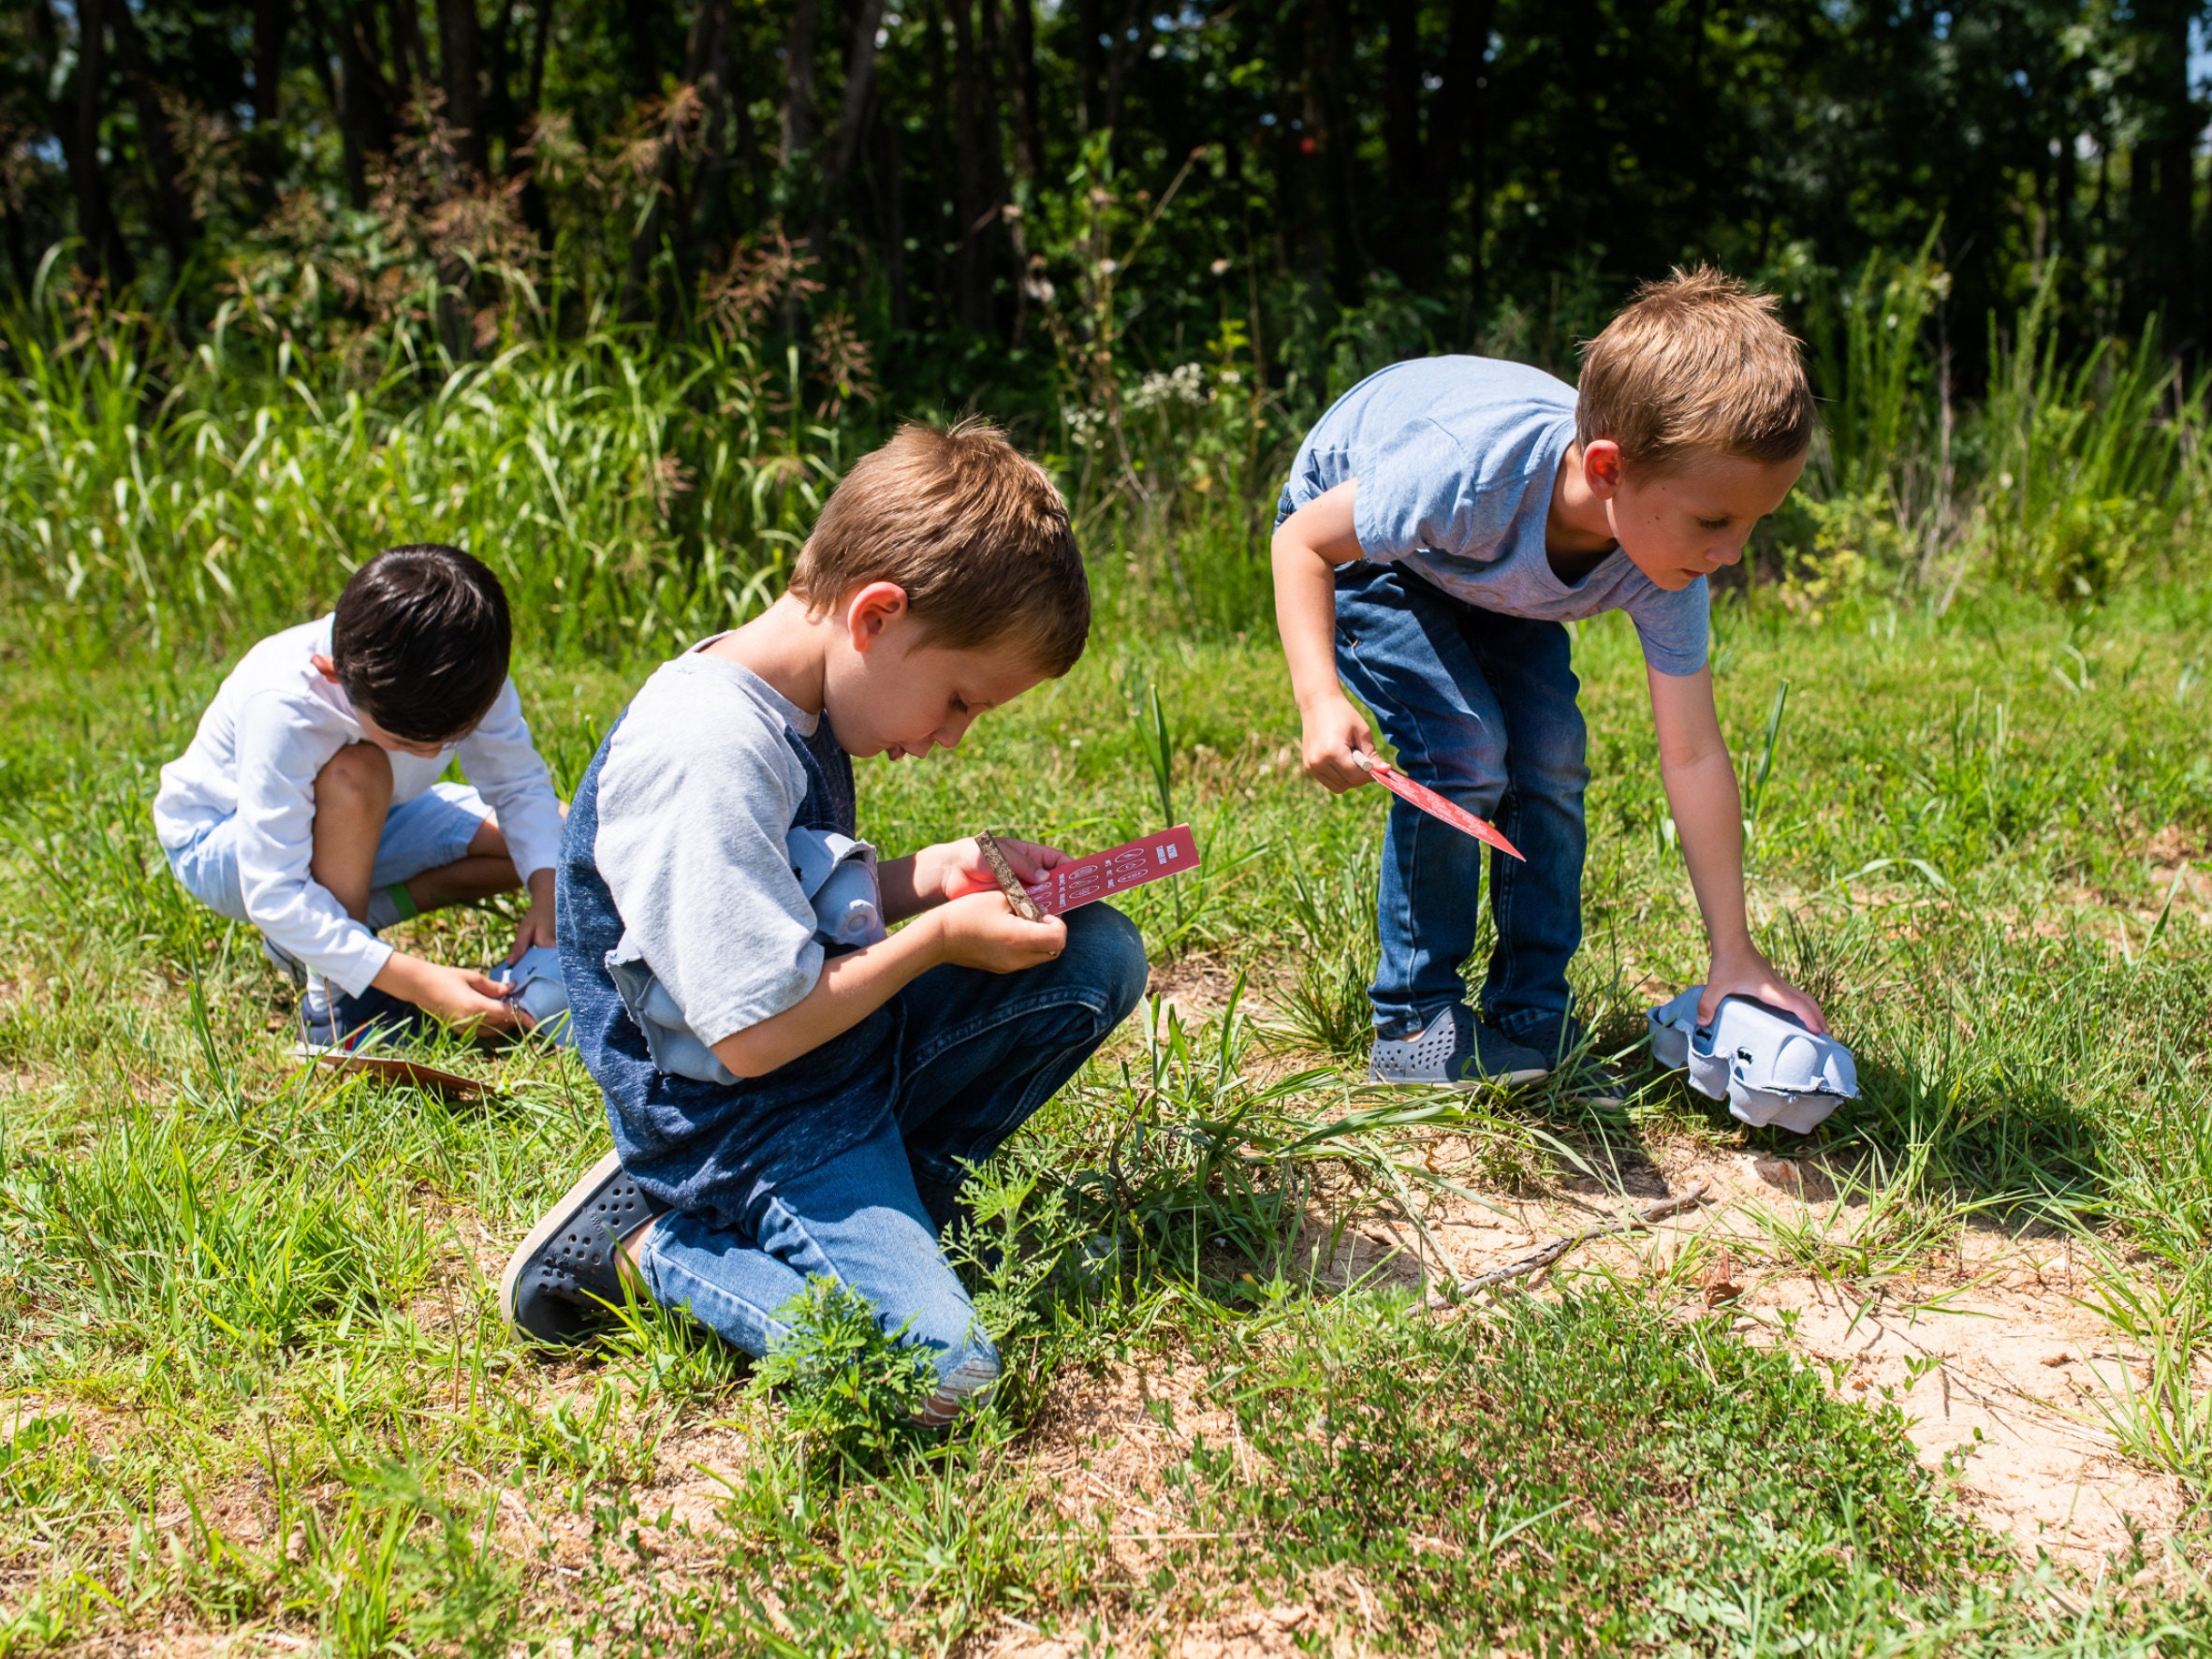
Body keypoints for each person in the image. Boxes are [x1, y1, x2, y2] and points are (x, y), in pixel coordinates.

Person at [500, 421, 1148, 1427]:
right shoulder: (706, 750)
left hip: (830, 1057)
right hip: (741, 1117)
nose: (948, 736)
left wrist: (930, 876)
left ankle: (911, 1207)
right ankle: (657, 1247)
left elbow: (782, 897)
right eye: (957, 699)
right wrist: (933, 941)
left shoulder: (796, 704)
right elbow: (752, 1036)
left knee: (1094, 953)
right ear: (876, 615)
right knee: (941, 1379)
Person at [1270, 267, 1827, 1092]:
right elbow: (1304, 544)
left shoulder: (1664, 565)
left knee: (1552, 755)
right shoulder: (1474, 473)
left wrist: (1733, 953)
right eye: (1714, 520)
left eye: (1752, 522)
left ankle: (1531, 1013)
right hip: (1366, 545)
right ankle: (1414, 1026)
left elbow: (1694, 755)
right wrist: (1320, 700)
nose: (1731, 554)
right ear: (1607, 470)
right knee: (1464, 748)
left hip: (1481, 570)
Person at [154, 545, 563, 1046]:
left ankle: (324, 937)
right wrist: (422, 984)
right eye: (408, 744)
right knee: (359, 770)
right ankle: (338, 1009)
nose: (433, 752)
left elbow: (518, 786)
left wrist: (550, 896)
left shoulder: (461, 664)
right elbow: (273, 889)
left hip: (372, 819)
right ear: (333, 675)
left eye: (452, 738)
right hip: (225, 847)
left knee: (559, 840)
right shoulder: (285, 700)